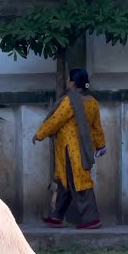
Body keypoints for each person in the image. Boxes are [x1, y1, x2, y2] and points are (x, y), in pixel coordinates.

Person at [33, 68, 107, 230]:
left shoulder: (70, 101)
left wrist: (39, 134)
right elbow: (96, 128)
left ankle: (91, 219)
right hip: (82, 149)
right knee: (65, 182)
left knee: (78, 183)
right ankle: (57, 216)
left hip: (70, 150)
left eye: (68, 79)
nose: (67, 82)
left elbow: (55, 121)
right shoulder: (92, 102)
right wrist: (100, 145)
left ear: (73, 83)